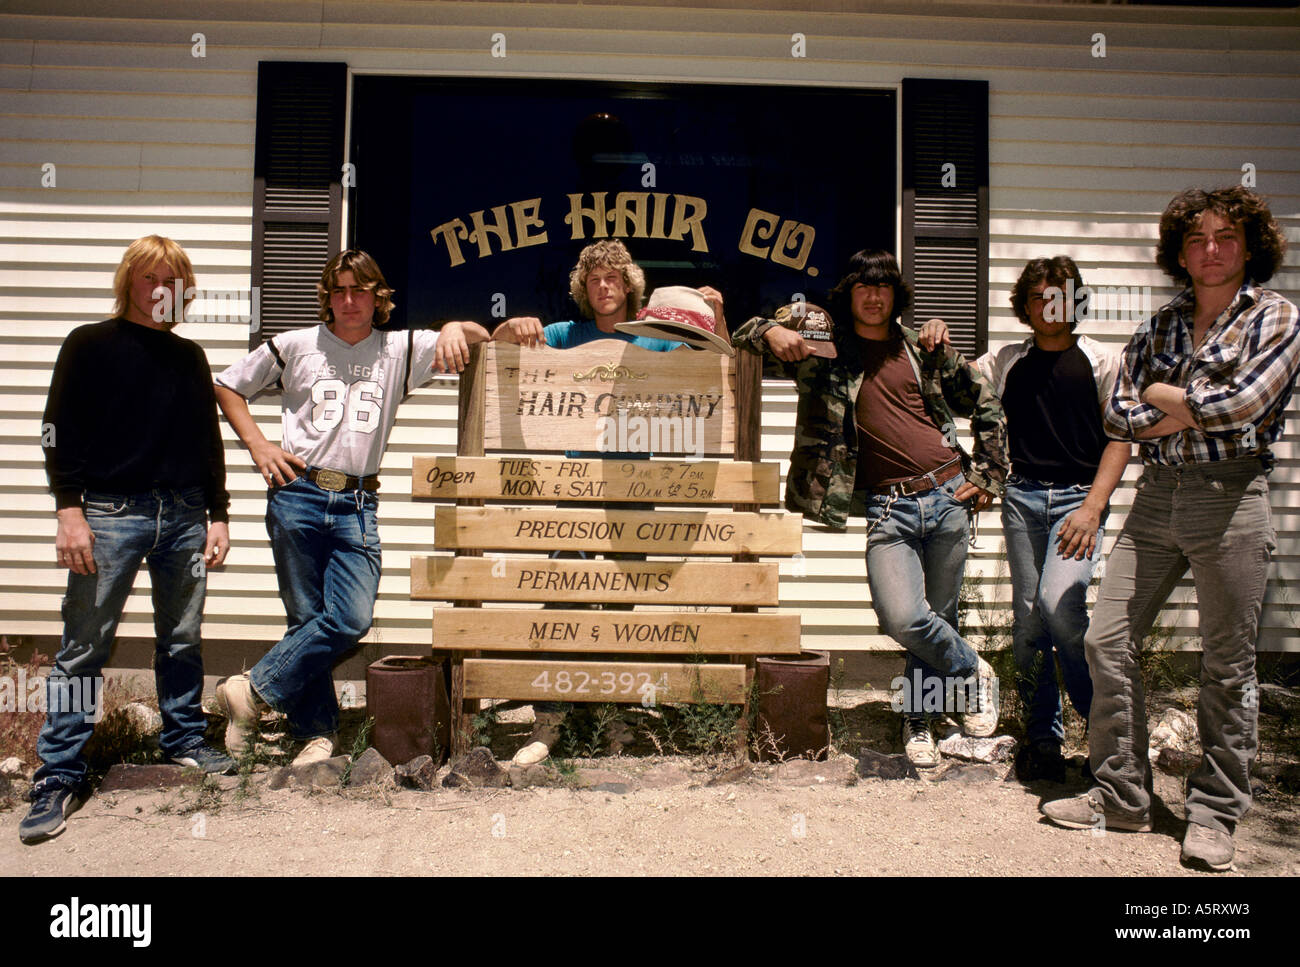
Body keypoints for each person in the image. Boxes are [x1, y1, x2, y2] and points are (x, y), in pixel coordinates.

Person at [1041, 187, 1299, 873]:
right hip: (1156, 499)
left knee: (1227, 665)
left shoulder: (1276, 317)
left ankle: (1214, 814)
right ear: (1179, 253)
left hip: (1231, 497)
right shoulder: (1161, 324)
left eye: (1225, 237)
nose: (1210, 251)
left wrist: (1163, 396)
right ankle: (1122, 794)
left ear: (1250, 246)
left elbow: (1242, 409)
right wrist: (1183, 406)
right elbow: (1120, 415)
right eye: (1196, 240)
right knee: (1106, 637)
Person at [733, 249, 1009, 768]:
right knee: (902, 615)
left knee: (938, 615)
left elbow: (987, 403)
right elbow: (741, 331)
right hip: (890, 508)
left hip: (949, 494)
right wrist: (770, 331)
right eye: (864, 285)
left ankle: (919, 719)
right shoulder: (823, 348)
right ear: (849, 294)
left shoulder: (922, 348)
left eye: (884, 286)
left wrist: (988, 474)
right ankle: (974, 669)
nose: (874, 295)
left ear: (895, 295)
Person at [213, 249, 488, 766]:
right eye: (338, 290)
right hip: (297, 490)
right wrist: (259, 446)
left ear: (378, 296)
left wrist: (453, 325)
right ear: (327, 297)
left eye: (359, 289)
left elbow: (479, 334)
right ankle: (317, 734)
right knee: (306, 619)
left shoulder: (400, 348)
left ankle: (249, 693)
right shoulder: (297, 344)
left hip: (358, 499)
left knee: (350, 618)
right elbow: (228, 384)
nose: (348, 300)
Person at [22, 236, 234, 845]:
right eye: (150, 278)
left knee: (182, 637)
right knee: (84, 644)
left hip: (186, 515)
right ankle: (59, 772)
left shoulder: (190, 358)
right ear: (129, 283)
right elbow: (56, 430)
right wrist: (69, 511)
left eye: (173, 280)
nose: (161, 290)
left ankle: (184, 739)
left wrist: (218, 515)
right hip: (110, 515)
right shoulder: (89, 345)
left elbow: (207, 445)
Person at [493, 239, 726, 765]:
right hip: (572, 484)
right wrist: (515, 325)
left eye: (613, 279)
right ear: (583, 287)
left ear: (628, 286)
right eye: (594, 278)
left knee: (622, 598)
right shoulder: (564, 334)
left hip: (635, 485)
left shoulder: (656, 339)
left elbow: (712, 365)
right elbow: (499, 344)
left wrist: (717, 316)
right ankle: (551, 715)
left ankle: (609, 708)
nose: (604, 287)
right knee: (563, 593)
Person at [920, 257, 1130, 782]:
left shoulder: (1102, 361)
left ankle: (1106, 729)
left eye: (1059, 295)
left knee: (1063, 610)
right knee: (1030, 621)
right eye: (1038, 296)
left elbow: (1122, 439)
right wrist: (939, 344)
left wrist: (1093, 507)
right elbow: (952, 390)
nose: (1048, 306)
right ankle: (1044, 740)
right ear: (1026, 305)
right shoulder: (1008, 361)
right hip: (1024, 497)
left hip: (1079, 501)